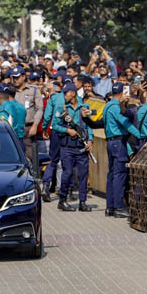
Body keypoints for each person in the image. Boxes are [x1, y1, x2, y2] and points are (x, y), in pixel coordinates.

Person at [99, 83, 140, 218]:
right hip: (118, 142)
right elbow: (125, 123)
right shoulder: (115, 107)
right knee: (119, 175)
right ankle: (118, 207)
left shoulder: (107, 106)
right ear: (122, 93)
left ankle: (110, 207)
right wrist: (141, 135)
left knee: (112, 174)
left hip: (110, 142)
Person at [53, 83, 92, 212]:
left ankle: (82, 201)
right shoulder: (62, 108)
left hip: (81, 147)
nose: (65, 96)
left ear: (73, 93)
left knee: (83, 175)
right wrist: (67, 131)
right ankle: (62, 200)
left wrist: (90, 140)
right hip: (67, 146)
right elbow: (55, 125)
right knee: (68, 173)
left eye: (67, 93)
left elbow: (89, 125)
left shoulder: (84, 107)